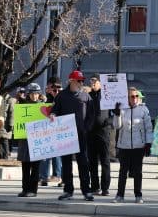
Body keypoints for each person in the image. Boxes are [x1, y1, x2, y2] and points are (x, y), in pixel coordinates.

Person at [50, 70, 94, 201]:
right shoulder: (61, 96)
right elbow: (55, 110)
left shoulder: (86, 96)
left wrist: (86, 128)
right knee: (66, 163)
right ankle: (68, 190)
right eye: (79, 80)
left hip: (81, 134)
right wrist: (53, 115)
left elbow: (91, 115)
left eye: (82, 81)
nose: (81, 83)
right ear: (71, 81)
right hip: (66, 135)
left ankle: (86, 191)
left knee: (83, 163)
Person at [114, 87, 151, 203]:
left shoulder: (143, 109)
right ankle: (120, 195)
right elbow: (117, 126)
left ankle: (138, 195)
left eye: (136, 96)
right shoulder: (122, 109)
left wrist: (148, 143)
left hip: (138, 145)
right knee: (123, 172)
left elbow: (148, 128)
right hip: (124, 145)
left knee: (137, 172)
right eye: (132, 96)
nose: (135, 98)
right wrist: (117, 114)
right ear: (128, 98)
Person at [87, 75, 117, 196]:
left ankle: (105, 187)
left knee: (105, 160)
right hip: (91, 133)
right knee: (92, 161)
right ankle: (95, 187)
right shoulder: (88, 96)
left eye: (95, 81)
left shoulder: (107, 95)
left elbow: (115, 113)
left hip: (104, 132)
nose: (92, 83)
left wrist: (108, 121)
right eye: (91, 81)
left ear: (100, 83)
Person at [16, 83, 46, 197]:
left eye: (37, 94)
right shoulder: (23, 105)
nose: (34, 96)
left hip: (37, 141)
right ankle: (25, 189)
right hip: (25, 140)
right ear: (28, 94)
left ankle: (33, 190)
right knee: (25, 166)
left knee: (35, 167)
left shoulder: (42, 106)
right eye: (32, 94)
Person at [40, 78, 63, 186]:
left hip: (59, 130)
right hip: (46, 130)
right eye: (51, 88)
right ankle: (44, 176)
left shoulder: (63, 97)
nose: (54, 90)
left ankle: (57, 175)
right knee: (45, 153)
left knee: (57, 154)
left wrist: (57, 95)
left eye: (57, 88)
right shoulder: (45, 99)